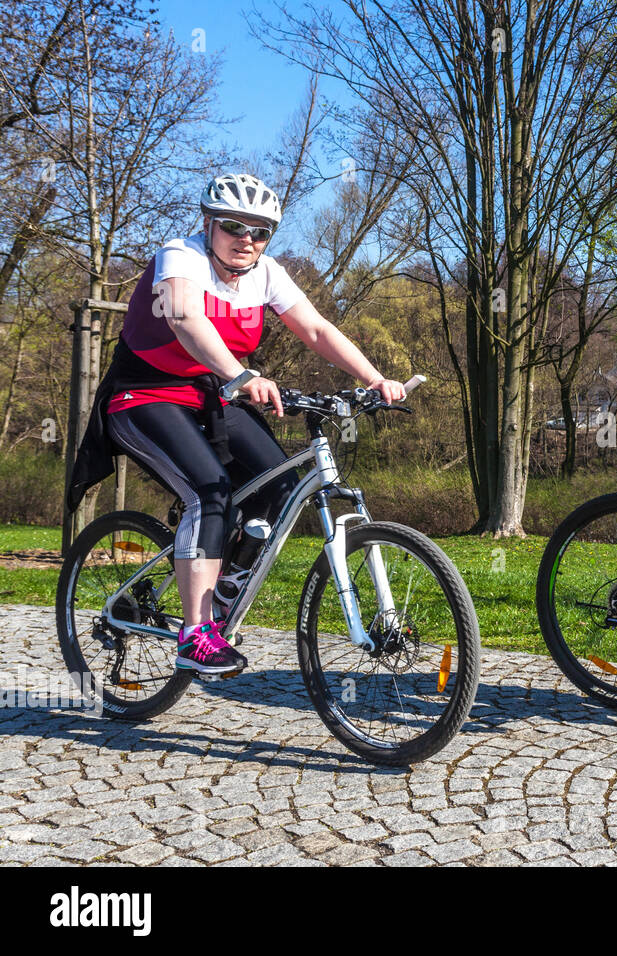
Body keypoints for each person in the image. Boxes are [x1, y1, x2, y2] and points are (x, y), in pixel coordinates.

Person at [69, 173, 406, 676]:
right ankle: (194, 633)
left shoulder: (266, 273)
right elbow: (185, 317)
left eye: (260, 231)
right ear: (208, 224)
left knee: (282, 485)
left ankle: (225, 587)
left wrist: (375, 378)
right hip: (144, 395)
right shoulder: (180, 255)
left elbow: (315, 328)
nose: (246, 240)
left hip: (213, 396)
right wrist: (241, 373)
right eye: (233, 226)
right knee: (209, 491)